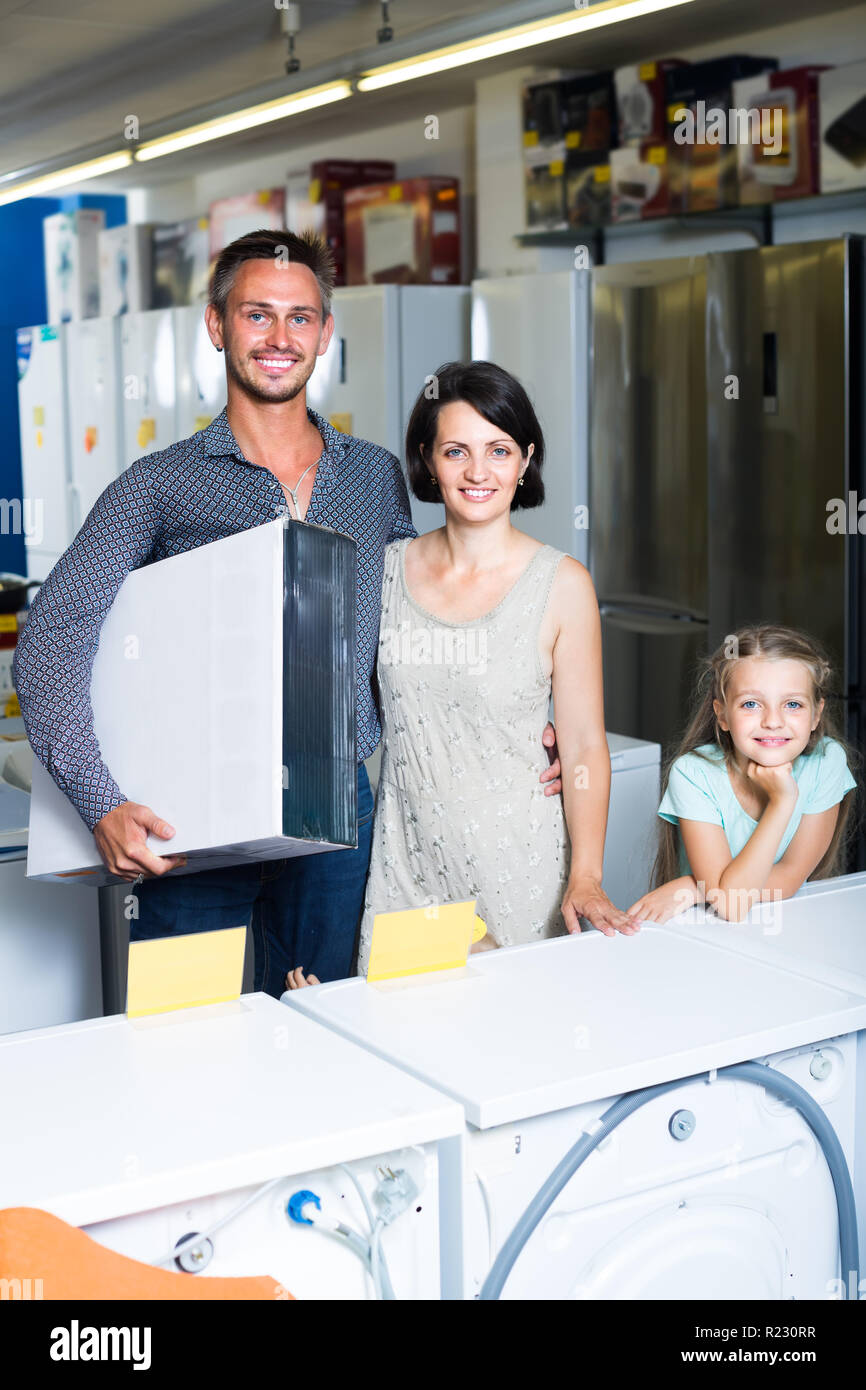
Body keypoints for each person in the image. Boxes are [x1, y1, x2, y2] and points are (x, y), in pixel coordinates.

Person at [13, 232, 563, 998]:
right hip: (190, 824)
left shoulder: (371, 476)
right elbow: (48, 647)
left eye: (300, 318)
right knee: (180, 1044)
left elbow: (416, 625)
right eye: (257, 315)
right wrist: (101, 804)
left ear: (325, 334)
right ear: (217, 326)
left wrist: (525, 726)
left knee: (328, 1039)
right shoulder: (158, 486)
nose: (279, 338)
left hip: (338, 817)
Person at [287, 360, 641, 989]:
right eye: (457, 451)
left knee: (518, 1058)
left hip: (521, 871)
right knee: (407, 1060)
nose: (479, 472)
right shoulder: (384, 568)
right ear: (427, 460)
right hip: (406, 873)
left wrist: (586, 874)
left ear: (526, 459)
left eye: (499, 450)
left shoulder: (562, 584)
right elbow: (318, 687)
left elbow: (585, 743)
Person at [628, 624, 858, 924]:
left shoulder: (827, 762)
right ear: (722, 714)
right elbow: (729, 907)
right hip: (702, 928)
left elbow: (788, 878)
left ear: (816, 714)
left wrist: (693, 888)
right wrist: (782, 802)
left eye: (792, 704)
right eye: (751, 704)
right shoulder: (693, 774)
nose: (773, 721)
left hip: (786, 923)